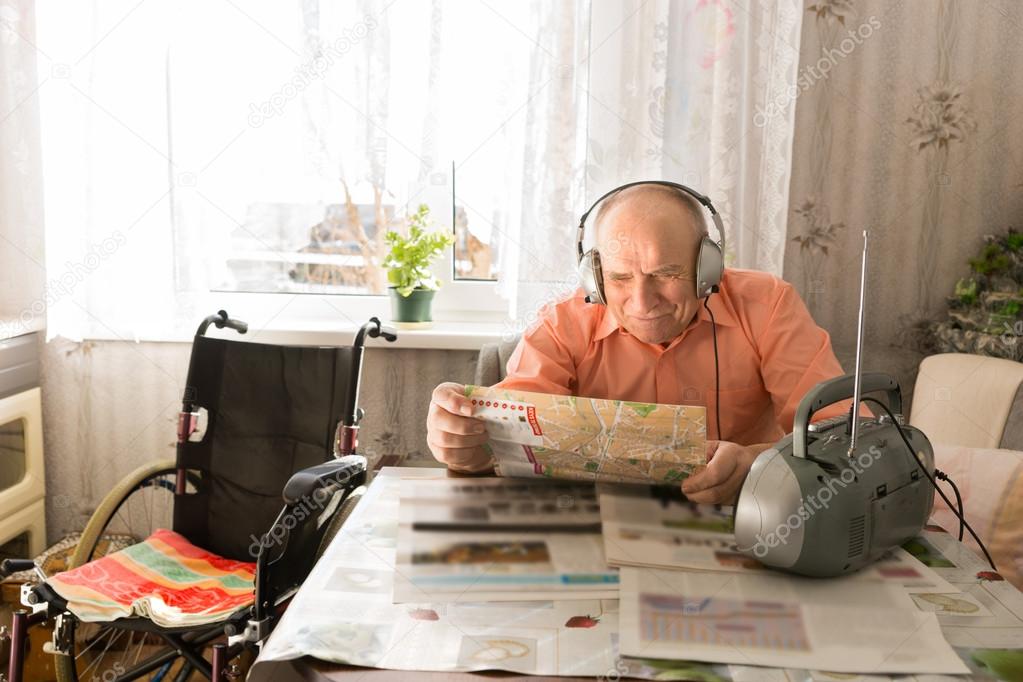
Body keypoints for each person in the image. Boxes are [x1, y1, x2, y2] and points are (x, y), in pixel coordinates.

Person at [426, 183, 854, 505]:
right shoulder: (562, 322)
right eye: (620, 278)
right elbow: (507, 438)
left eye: (666, 273)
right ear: (594, 275)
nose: (643, 302)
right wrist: (463, 443)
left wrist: (755, 465)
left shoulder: (768, 306)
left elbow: (847, 437)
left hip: (747, 521)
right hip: (598, 529)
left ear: (707, 267)